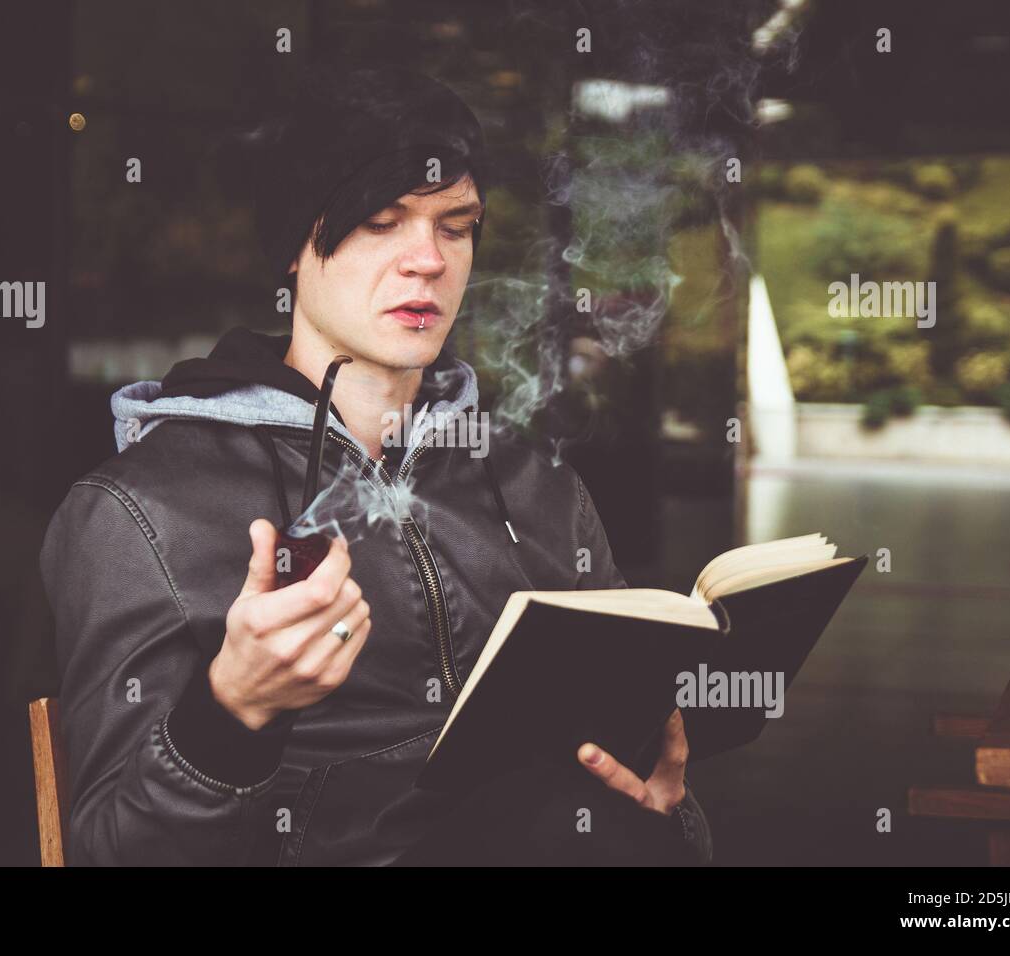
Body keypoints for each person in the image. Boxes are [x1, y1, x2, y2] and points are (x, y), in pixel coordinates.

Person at [39, 62, 711, 866]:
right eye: (382, 221)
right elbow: (111, 854)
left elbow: (663, 814)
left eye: (454, 226)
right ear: (294, 246)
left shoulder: (537, 484)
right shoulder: (142, 511)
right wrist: (230, 716)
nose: (427, 259)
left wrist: (664, 812)